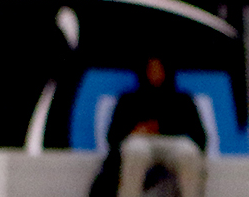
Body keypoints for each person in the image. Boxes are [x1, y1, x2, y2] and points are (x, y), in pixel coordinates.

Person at [89, 56, 207, 197]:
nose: (155, 73)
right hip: (140, 142)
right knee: (135, 150)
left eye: (159, 69)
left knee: (188, 152)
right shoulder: (128, 100)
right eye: (151, 69)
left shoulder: (183, 100)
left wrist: (161, 128)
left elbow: (200, 137)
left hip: (175, 142)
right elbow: (113, 136)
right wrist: (135, 131)